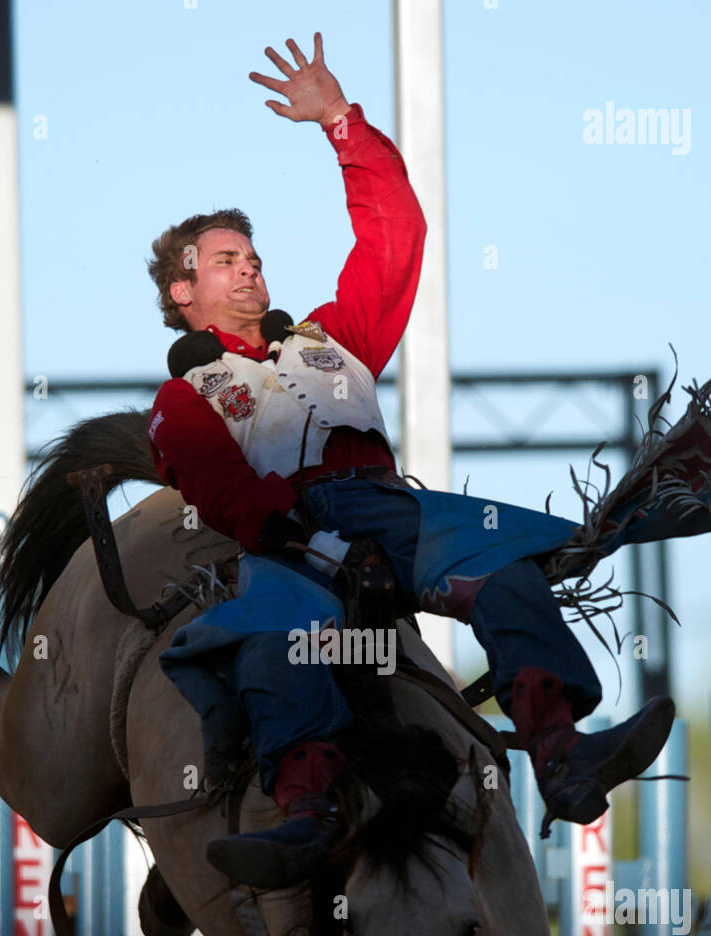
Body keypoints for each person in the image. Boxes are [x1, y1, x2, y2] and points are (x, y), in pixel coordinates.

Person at [146, 32, 674, 890]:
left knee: (507, 569)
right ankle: (305, 814)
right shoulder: (182, 400)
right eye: (225, 261)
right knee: (278, 637)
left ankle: (561, 752)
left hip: (393, 511)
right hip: (290, 536)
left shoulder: (331, 337)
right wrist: (317, 549)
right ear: (183, 291)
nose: (248, 272)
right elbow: (226, 492)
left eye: (253, 258)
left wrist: (341, 124)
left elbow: (398, 231)